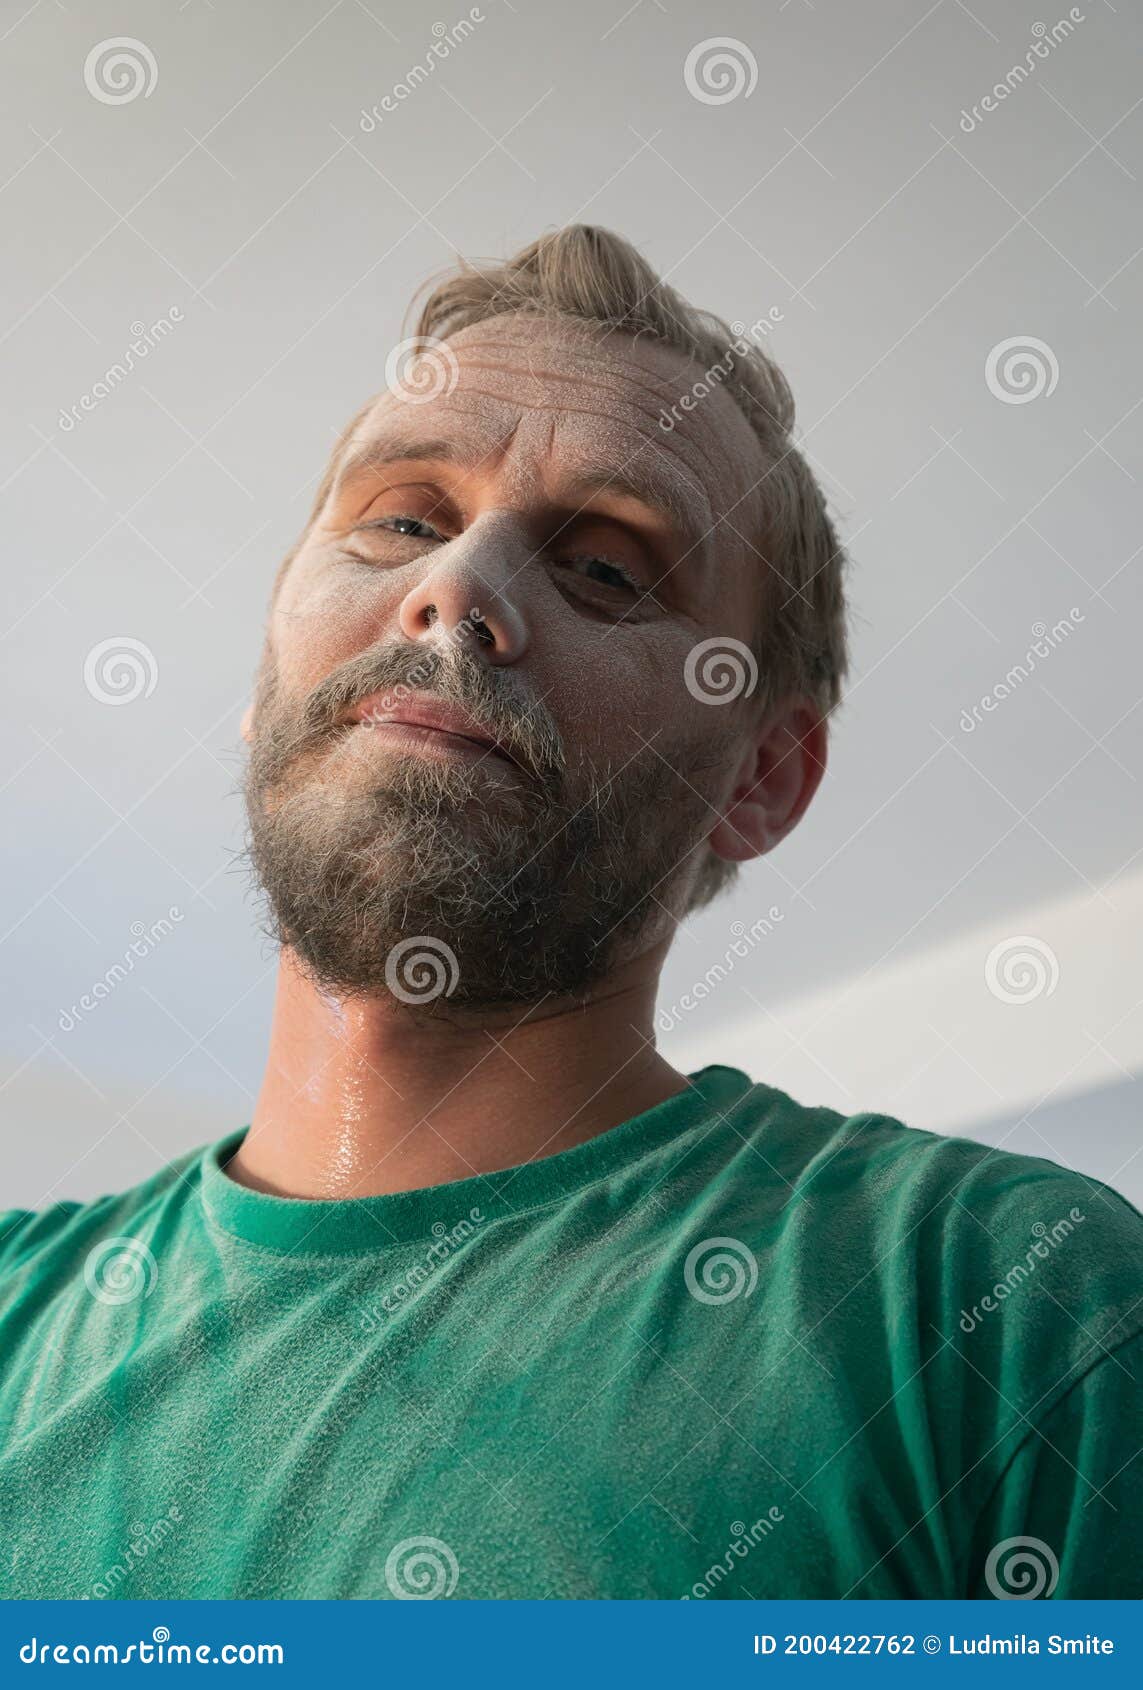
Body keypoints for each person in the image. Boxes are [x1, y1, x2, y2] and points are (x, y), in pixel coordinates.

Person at [2, 226, 1140, 1601]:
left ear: (760, 777)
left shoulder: (1015, 1307)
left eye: (607, 569)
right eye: (405, 519)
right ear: (263, 679)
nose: (456, 592)